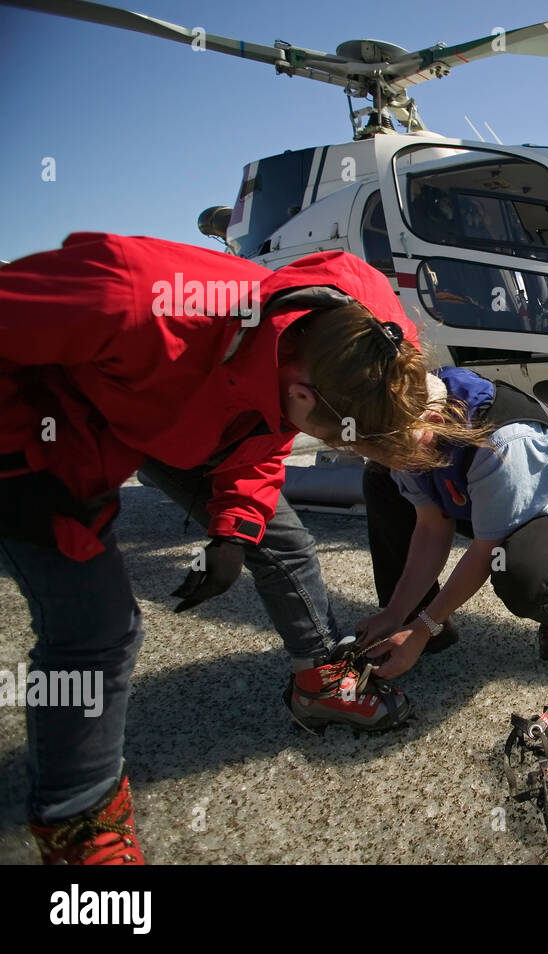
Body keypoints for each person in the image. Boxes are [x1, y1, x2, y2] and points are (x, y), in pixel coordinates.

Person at [0, 232, 436, 864]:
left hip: (175, 410)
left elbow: (263, 428)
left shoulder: (339, 339)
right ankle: (78, 822)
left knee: (279, 540)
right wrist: (24, 466)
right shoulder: (132, 296)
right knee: (95, 629)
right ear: (306, 397)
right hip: (39, 440)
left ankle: (319, 682)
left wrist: (235, 526)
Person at [356, 367, 548, 677]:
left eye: (396, 454)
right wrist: (396, 613)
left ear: (433, 424)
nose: (394, 463)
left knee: (519, 571)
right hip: (479, 495)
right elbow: (432, 528)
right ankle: (414, 618)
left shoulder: (506, 442)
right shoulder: (408, 416)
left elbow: (486, 552)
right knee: (380, 481)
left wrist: (421, 629)